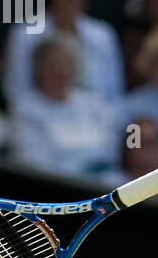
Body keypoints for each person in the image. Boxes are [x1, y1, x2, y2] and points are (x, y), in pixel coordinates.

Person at [3, 0, 123, 110]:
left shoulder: (104, 35)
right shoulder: (24, 33)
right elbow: (15, 91)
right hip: (39, 121)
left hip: (95, 125)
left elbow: (114, 94)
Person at [9, 39, 118, 179]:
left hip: (105, 182)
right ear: (39, 69)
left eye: (67, 63)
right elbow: (32, 162)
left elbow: (111, 148)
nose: (62, 70)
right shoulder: (25, 110)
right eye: (54, 64)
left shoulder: (93, 103)